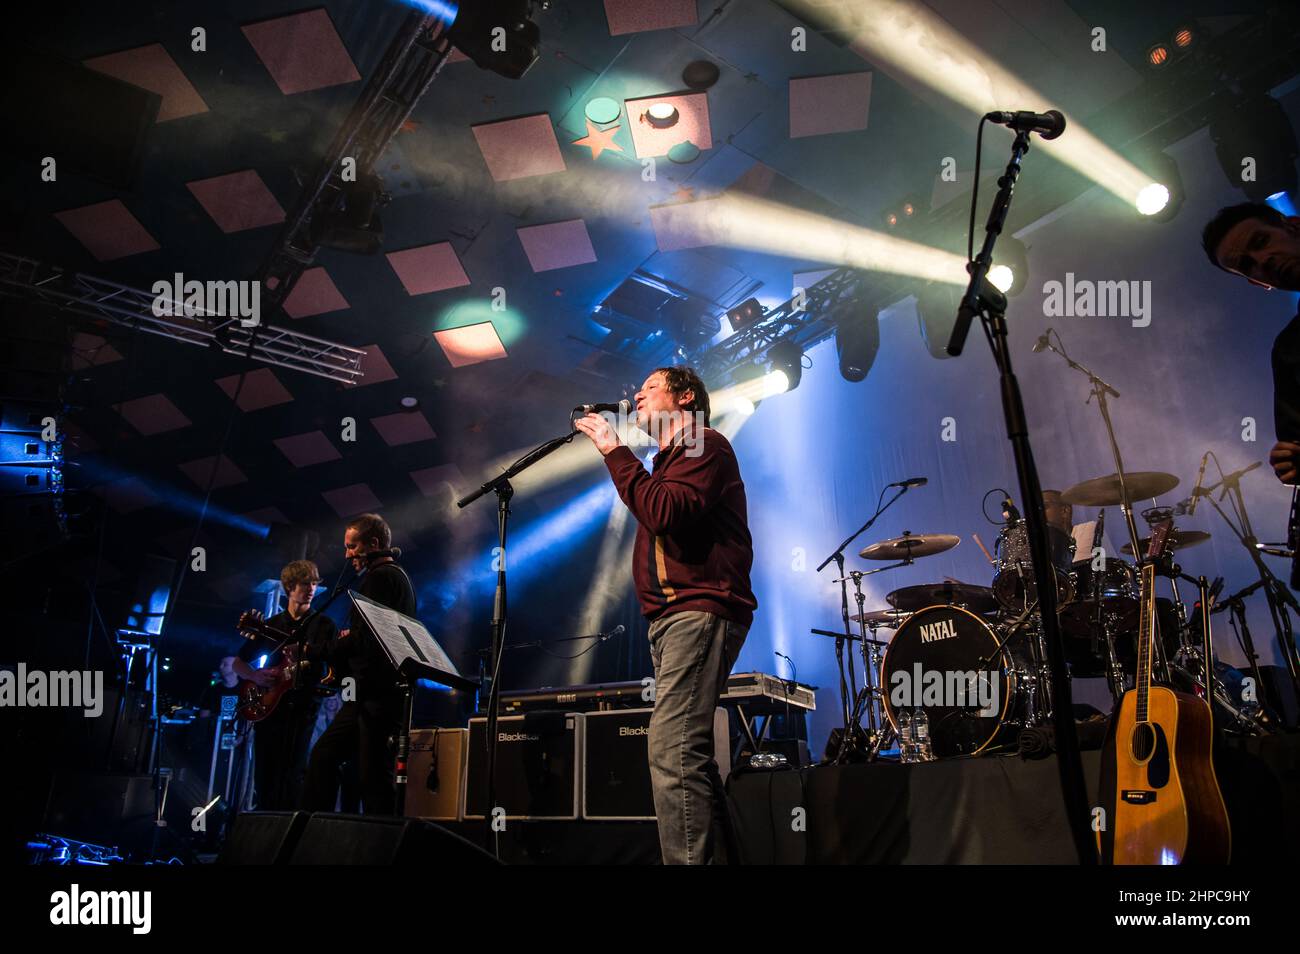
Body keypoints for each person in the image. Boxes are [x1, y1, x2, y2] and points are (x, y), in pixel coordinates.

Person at [574, 366, 757, 864]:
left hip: (699, 609)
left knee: (670, 748)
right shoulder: (668, 460)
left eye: (650, 386)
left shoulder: (703, 442)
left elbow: (662, 513)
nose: (637, 393)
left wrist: (615, 450)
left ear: (686, 397)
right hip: (675, 618)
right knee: (687, 754)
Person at [302, 513, 416, 815]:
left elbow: (366, 641)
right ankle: (328, 831)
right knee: (346, 765)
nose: (347, 554)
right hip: (373, 694)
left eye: (352, 546)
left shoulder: (380, 578)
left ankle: (373, 843)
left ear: (374, 544)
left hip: (375, 695)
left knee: (370, 776)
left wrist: (320, 650)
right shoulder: (396, 577)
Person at [220, 559, 336, 811]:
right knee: (266, 770)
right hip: (270, 709)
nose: (312, 588)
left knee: (295, 771)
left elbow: (331, 665)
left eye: (315, 583)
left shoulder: (323, 625)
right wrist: (256, 677)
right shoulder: (272, 625)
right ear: (289, 587)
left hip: (305, 707)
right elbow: (238, 663)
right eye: (306, 583)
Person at [1201, 202, 1300, 483]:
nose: (1263, 259)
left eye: (1261, 241)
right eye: (1247, 265)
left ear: (1295, 225)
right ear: (1257, 283)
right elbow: (1293, 446)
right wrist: (1289, 463)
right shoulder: (1288, 350)